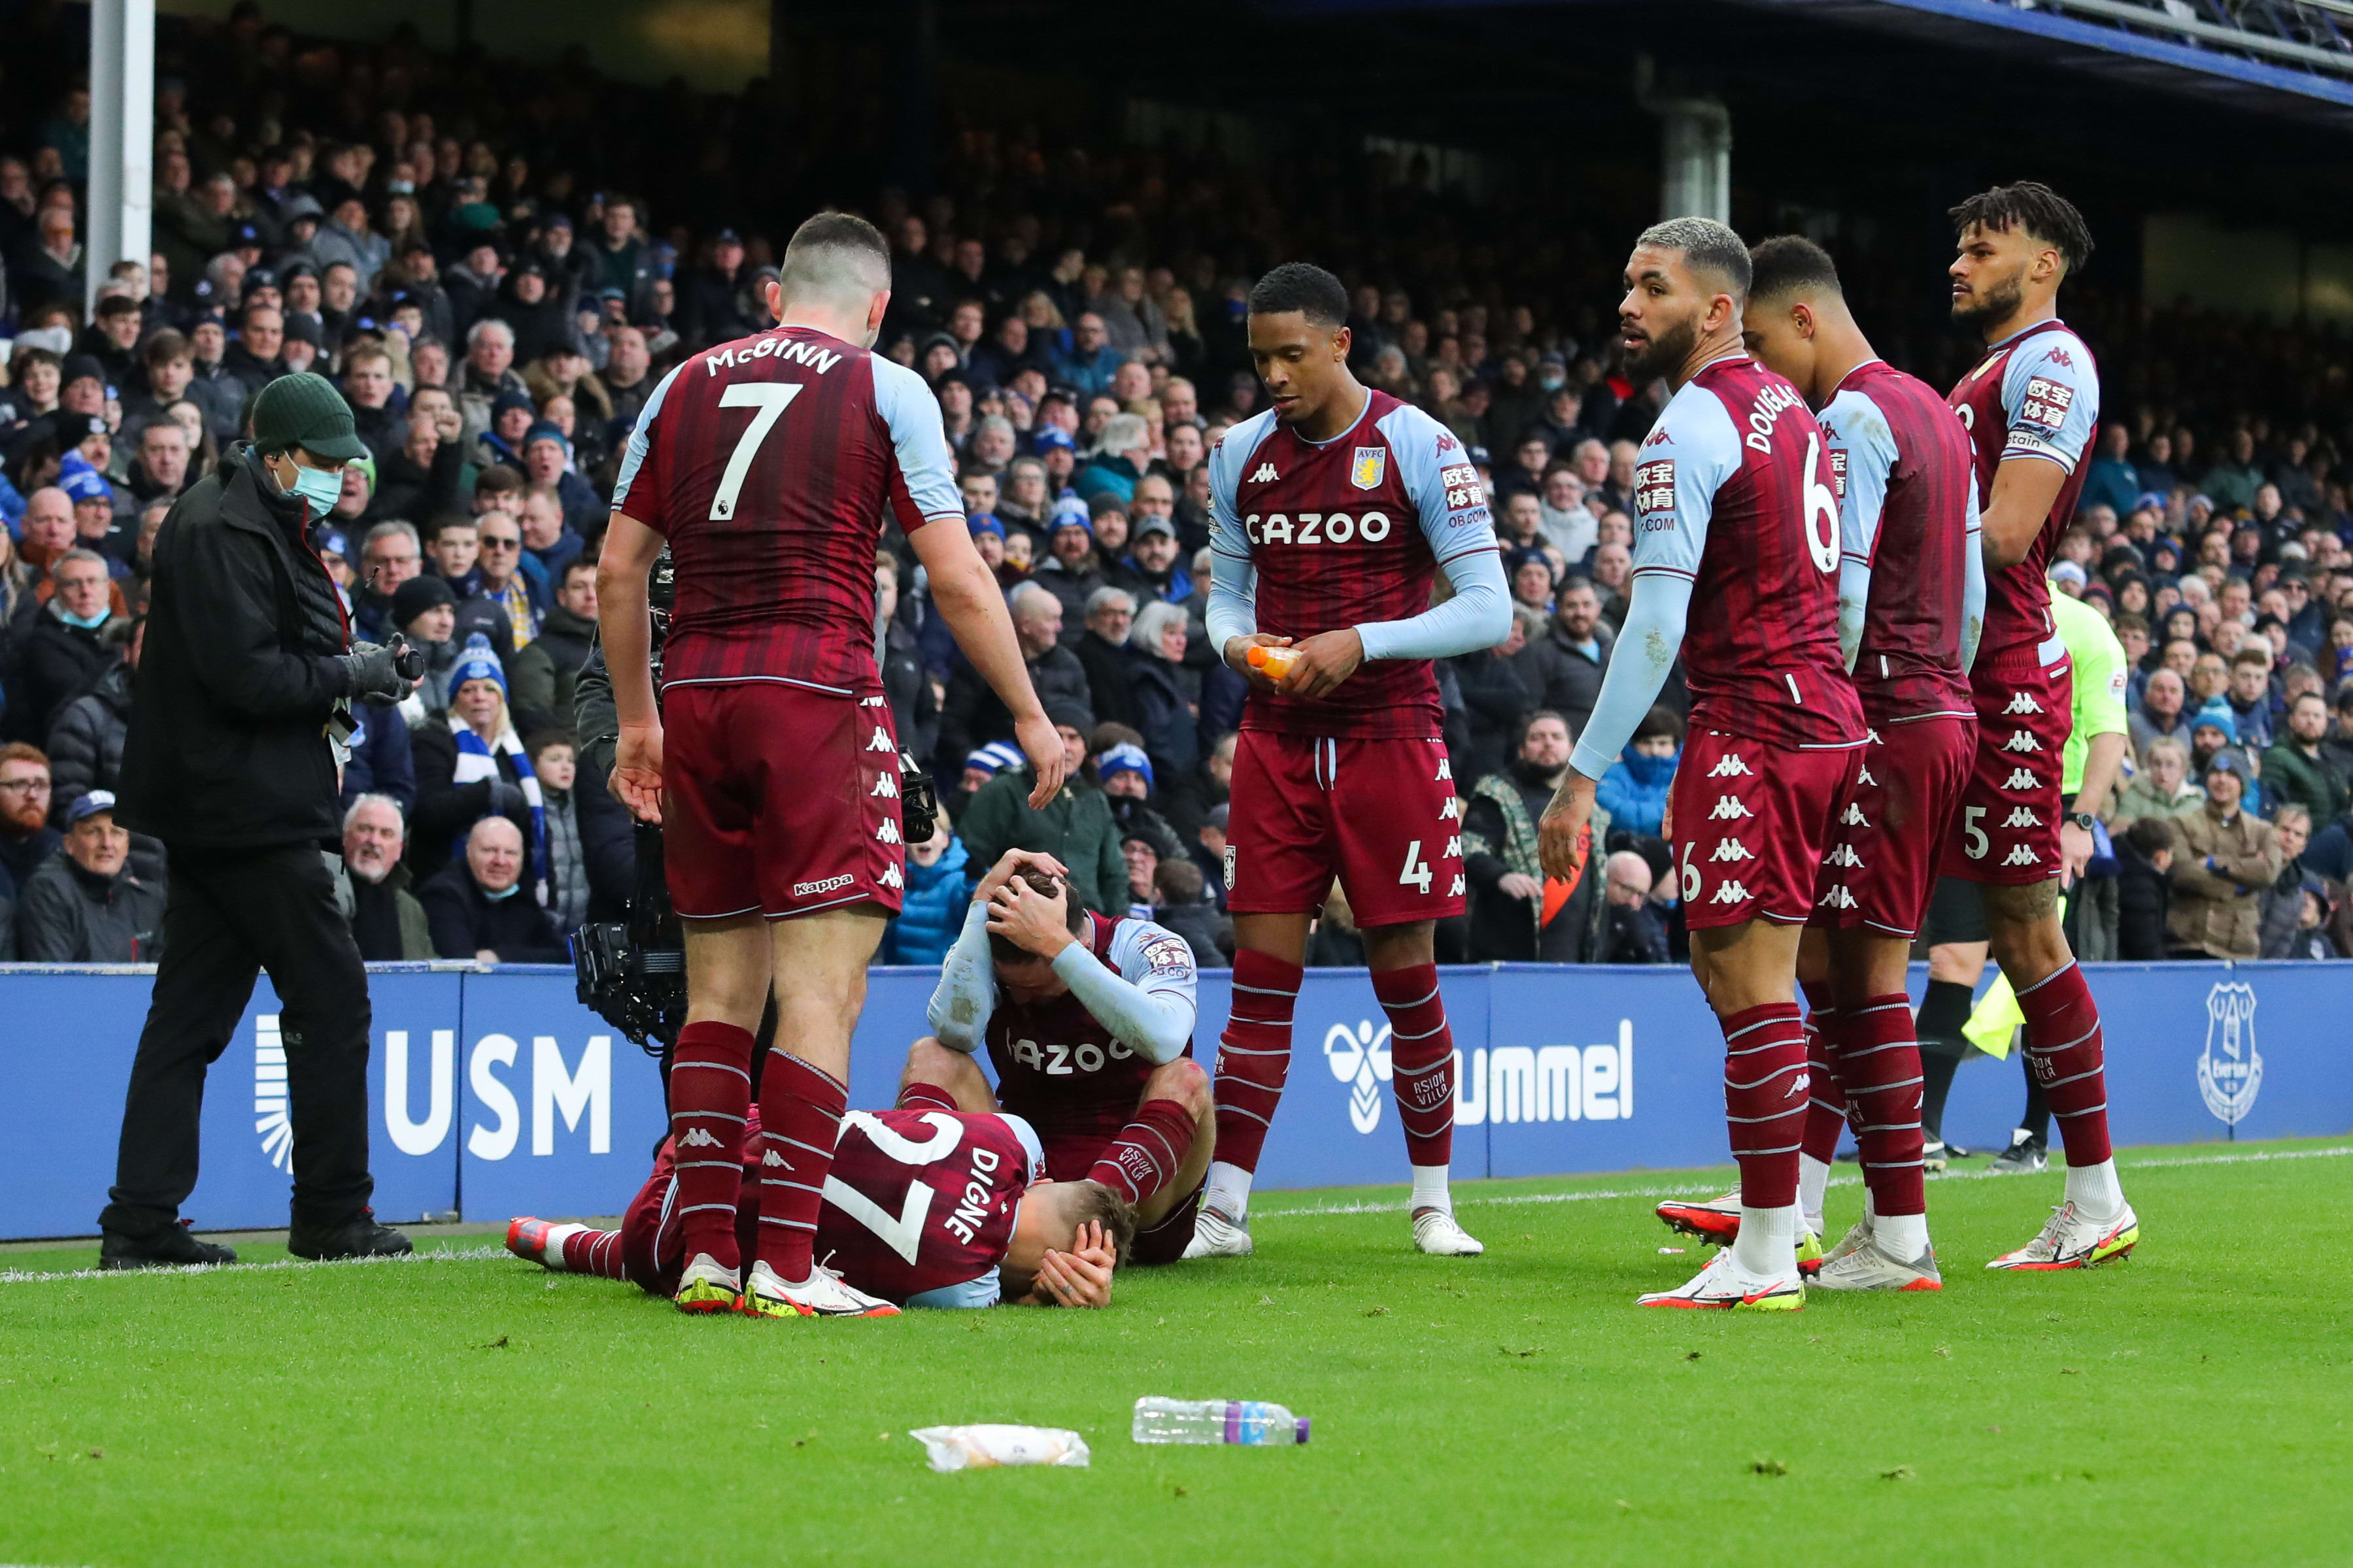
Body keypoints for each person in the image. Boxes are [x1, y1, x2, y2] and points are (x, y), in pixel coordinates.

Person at [597, 212, 1066, 1321]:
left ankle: (710, 1251)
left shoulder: (681, 384)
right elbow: (952, 577)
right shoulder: (886, 386)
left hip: (697, 697)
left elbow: (619, 571)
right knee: (823, 989)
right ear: (876, 306)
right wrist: (1031, 713)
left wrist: (637, 723)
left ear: (776, 295)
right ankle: (789, 1260)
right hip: (814, 693)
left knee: (718, 992)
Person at [1537, 218, 1865, 1312]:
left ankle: (1765, 1255)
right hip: (1822, 713)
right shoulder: (1796, 413)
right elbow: (1845, 586)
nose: (1627, 305)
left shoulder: (1685, 428)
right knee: (1768, 979)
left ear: (1718, 308)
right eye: (1624, 282)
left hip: (1754, 722)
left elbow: (1650, 628)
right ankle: (1780, 1233)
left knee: (1748, 979)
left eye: (1653, 288)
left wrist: (1579, 775)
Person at [1673, 233, 1983, 1293]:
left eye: (1758, 339)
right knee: (1848, 973)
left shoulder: (1841, 417)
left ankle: (1886, 1229)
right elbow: (1975, 591)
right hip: (1939, 706)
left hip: (1868, 713)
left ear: (1800, 319)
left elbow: (1835, 593)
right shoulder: (1935, 408)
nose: (1755, 367)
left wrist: (1824, 707)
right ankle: (1808, 1204)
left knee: (1857, 982)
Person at [1192, 261, 1508, 1261]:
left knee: (1402, 973)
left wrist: (1360, 641)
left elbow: (1488, 608)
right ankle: (1224, 1208)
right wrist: (1240, 649)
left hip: (1391, 738)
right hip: (1276, 743)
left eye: (1291, 354)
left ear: (1338, 343)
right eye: (1259, 360)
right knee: (1259, 979)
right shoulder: (1236, 454)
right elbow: (1223, 601)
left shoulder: (1416, 442)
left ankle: (1430, 1201)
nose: (1274, 376)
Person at [104, 372, 416, 1267]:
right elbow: (249, 678)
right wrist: (354, 672)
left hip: (229, 801)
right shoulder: (219, 529)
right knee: (331, 995)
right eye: (320, 462)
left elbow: (270, 659)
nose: (334, 476)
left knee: (190, 1015)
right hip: (245, 806)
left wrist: (359, 663)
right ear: (275, 453)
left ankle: (139, 1220)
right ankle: (328, 1210)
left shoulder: (245, 517)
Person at [1932, 182, 2138, 1268]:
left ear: (2042, 263)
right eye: (1955, 247)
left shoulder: (2047, 361)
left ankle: (2093, 1193)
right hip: (1939, 673)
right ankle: (1789, 1198)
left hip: (2000, 678)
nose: (1957, 263)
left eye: (1981, 247)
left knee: (2024, 934)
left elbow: (2006, 534)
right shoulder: (1978, 372)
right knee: (1851, 913)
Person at [507, 1096, 1130, 1310]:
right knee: (675, 1266)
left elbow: (1024, 1167)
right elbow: (996, 1278)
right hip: (669, 1233)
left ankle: (558, 1239)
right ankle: (566, 1243)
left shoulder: (1014, 1136)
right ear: (1065, 1263)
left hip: (725, 1128)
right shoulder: (965, 1287)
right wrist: (1038, 1295)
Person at [914, 852, 1213, 1263]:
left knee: (1187, 1077)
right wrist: (981, 903)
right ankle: (920, 1224)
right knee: (931, 1056)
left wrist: (1060, 949)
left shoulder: (1148, 945)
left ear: (1083, 943)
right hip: (1032, 1179)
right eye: (1016, 988)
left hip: (1139, 1194)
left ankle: (1085, 1216)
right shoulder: (983, 945)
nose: (1024, 999)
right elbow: (955, 1032)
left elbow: (1164, 1041)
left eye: (1041, 987)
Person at [1463, 710, 1608, 962]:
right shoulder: (1496, 795)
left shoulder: (1589, 808)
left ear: (1572, 749)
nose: (1548, 743)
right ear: (1521, 750)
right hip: (1511, 950)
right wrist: (1501, 876)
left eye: (1556, 737)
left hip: (1578, 956)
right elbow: (1467, 847)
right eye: (1537, 737)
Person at [13, 790, 165, 961]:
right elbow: (53, 981)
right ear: (69, 844)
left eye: (116, 832)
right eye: (93, 831)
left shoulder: (147, 900)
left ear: (127, 844)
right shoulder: (48, 893)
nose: (107, 844)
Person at [2166, 750, 2281, 959]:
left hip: (2240, 945)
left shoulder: (2262, 831)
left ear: (2243, 784)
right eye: (2216, 773)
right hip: (2190, 942)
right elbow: (2182, 872)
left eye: (2231, 775)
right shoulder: (2181, 823)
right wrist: (2242, 883)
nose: (2222, 780)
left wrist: (2212, 863)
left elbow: (2268, 872)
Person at [421, 815, 566, 963]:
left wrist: (497, 957)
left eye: (510, 853)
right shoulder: (443, 894)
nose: (500, 861)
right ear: (468, 851)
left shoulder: (523, 894)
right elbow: (459, 964)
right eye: (490, 850)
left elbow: (562, 956)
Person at [337, 793, 432, 960]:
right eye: (365, 829)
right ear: (345, 837)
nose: (374, 841)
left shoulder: (411, 909)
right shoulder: (320, 894)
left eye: (386, 834)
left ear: (399, 850)